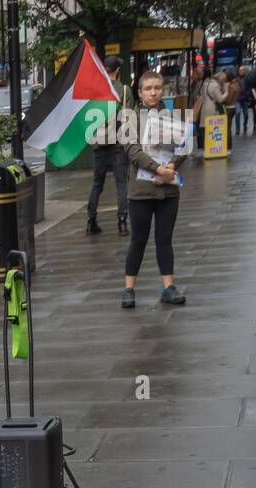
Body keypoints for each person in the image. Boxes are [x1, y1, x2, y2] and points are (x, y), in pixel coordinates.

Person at [119, 69, 187, 309]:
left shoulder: (172, 116)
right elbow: (133, 151)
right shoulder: (130, 119)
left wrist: (171, 166)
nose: (153, 92)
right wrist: (159, 170)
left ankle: (168, 287)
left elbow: (183, 146)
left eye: (157, 88)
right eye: (148, 88)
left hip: (168, 191)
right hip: (141, 191)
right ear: (139, 93)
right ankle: (129, 289)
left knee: (164, 239)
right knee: (138, 240)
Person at [86, 56, 132, 236]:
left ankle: (91, 221)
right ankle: (122, 223)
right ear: (117, 70)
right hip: (118, 144)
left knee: (97, 184)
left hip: (99, 143)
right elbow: (129, 116)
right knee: (121, 183)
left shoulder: (95, 91)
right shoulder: (124, 90)